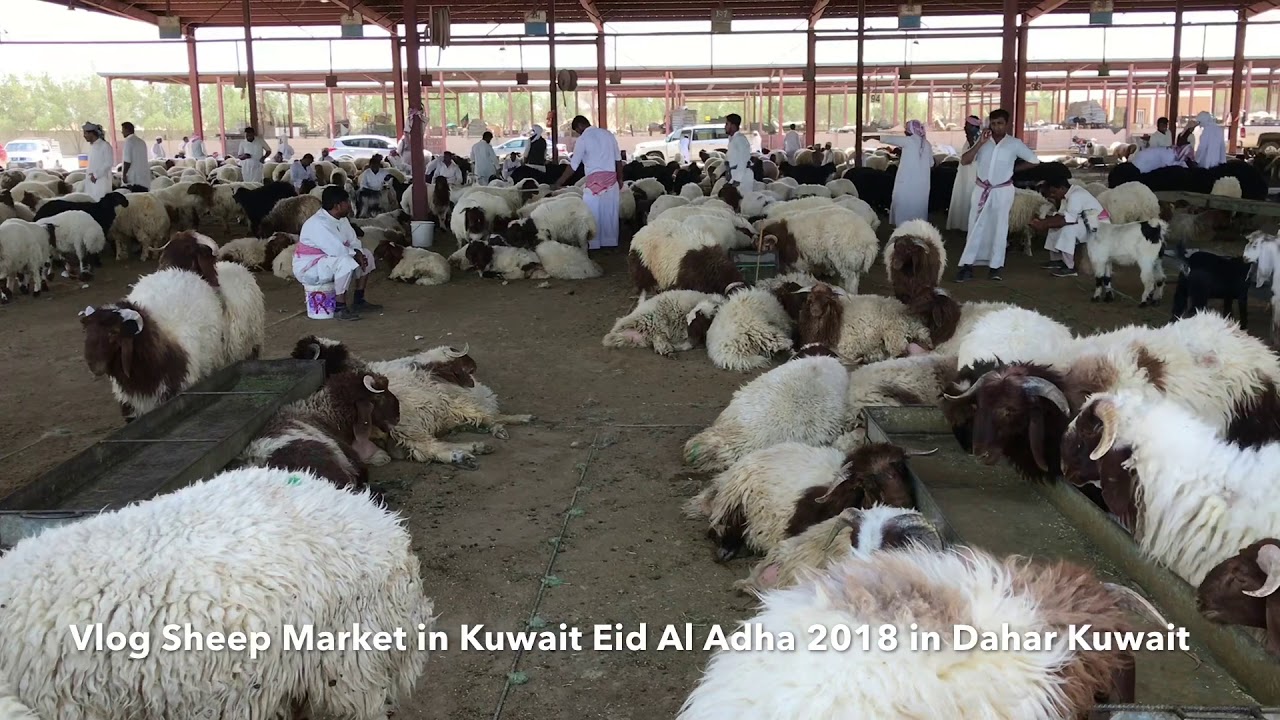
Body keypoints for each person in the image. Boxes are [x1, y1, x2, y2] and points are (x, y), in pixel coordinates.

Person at [955, 108, 1041, 282]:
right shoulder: (983, 141)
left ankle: (995, 267)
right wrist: (980, 143)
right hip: (981, 189)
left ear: (1007, 124)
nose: (996, 127)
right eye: (993, 124)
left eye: (1000, 123)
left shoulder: (1014, 144)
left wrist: (1013, 170)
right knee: (975, 226)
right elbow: (965, 161)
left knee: (1000, 227)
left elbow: (1034, 161)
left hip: (1002, 191)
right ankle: (967, 265)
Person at [294, 186, 381, 321]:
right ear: (337, 206)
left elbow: (353, 241)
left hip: (329, 261)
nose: (350, 206)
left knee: (367, 255)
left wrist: (358, 252)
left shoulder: (342, 220)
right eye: (347, 202)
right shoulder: (318, 223)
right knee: (345, 261)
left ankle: (359, 300)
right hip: (310, 268)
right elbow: (336, 250)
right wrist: (355, 254)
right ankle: (340, 307)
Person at [554, 115, 623, 251]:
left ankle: (594, 244)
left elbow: (573, 165)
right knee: (609, 214)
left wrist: (558, 182)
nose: (577, 133)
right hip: (611, 181)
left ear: (580, 126)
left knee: (592, 214)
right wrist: (620, 179)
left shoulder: (583, 139)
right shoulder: (608, 135)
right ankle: (610, 244)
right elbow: (618, 160)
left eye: (576, 130)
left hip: (594, 184)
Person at [1029, 173, 1103, 278]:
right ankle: (1057, 260)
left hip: (1098, 227)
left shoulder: (1076, 195)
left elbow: (1069, 220)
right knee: (1054, 227)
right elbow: (1061, 216)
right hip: (1086, 222)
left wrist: (1043, 224)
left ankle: (1070, 267)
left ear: (1062, 188)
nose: (1052, 195)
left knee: (1068, 229)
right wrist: (1043, 222)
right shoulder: (1066, 195)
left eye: (1054, 192)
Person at [880, 119, 933, 226]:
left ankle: (902, 227)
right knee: (918, 206)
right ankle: (918, 227)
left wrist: (869, 137)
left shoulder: (909, 141)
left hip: (907, 181)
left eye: (906, 130)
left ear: (911, 131)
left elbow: (889, 139)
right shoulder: (927, 144)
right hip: (922, 184)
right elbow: (931, 163)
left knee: (903, 204)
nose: (905, 132)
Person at [947, 116, 982, 231]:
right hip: (964, 174)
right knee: (962, 196)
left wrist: (972, 141)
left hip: (974, 174)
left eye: (967, 125)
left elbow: (969, 159)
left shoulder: (981, 141)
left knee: (971, 197)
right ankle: (961, 225)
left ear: (974, 127)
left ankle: (969, 227)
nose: (965, 128)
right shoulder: (968, 140)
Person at [82, 122, 113, 201]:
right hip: (91, 183)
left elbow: (109, 163)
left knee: (101, 202)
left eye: (85, 133)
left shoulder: (105, 145)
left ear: (91, 133)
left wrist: (96, 175)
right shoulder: (92, 146)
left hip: (101, 182)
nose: (84, 136)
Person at [725, 113, 754, 193]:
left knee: (743, 199)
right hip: (734, 176)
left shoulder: (740, 140)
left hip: (743, 178)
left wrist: (737, 179)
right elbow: (729, 159)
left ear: (733, 126)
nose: (725, 126)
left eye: (727, 124)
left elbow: (743, 159)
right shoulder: (732, 139)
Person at [120, 122, 151, 190]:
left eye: (123, 130)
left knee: (134, 196)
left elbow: (127, 161)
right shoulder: (141, 142)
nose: (122, 132)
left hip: (133, 179)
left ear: (127, 130)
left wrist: (124, 174)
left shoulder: (129, 141)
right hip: (144, 178)